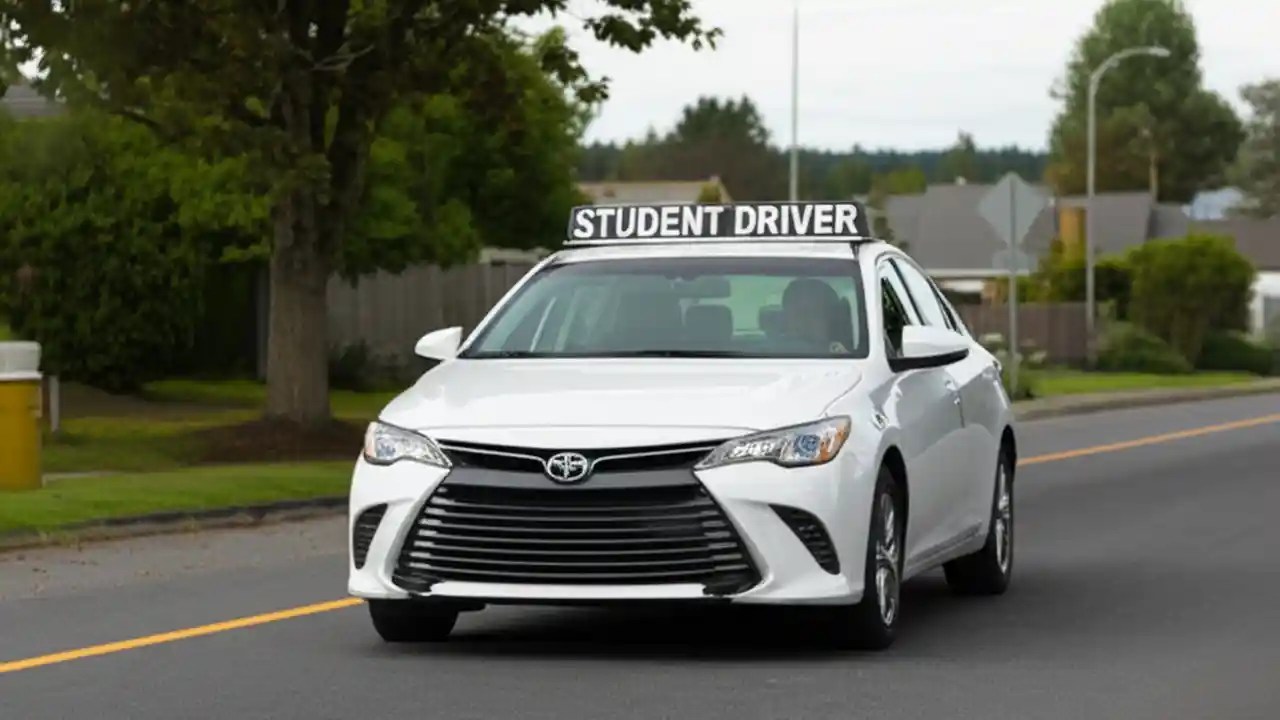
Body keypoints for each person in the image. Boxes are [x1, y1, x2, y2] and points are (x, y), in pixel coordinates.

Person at [780, 278, 849, 354]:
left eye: (815, 314)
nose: (805, 321)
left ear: (830, 321)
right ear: (785, 317)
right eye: (799, 313)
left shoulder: (844, 360)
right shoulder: (768, 355)